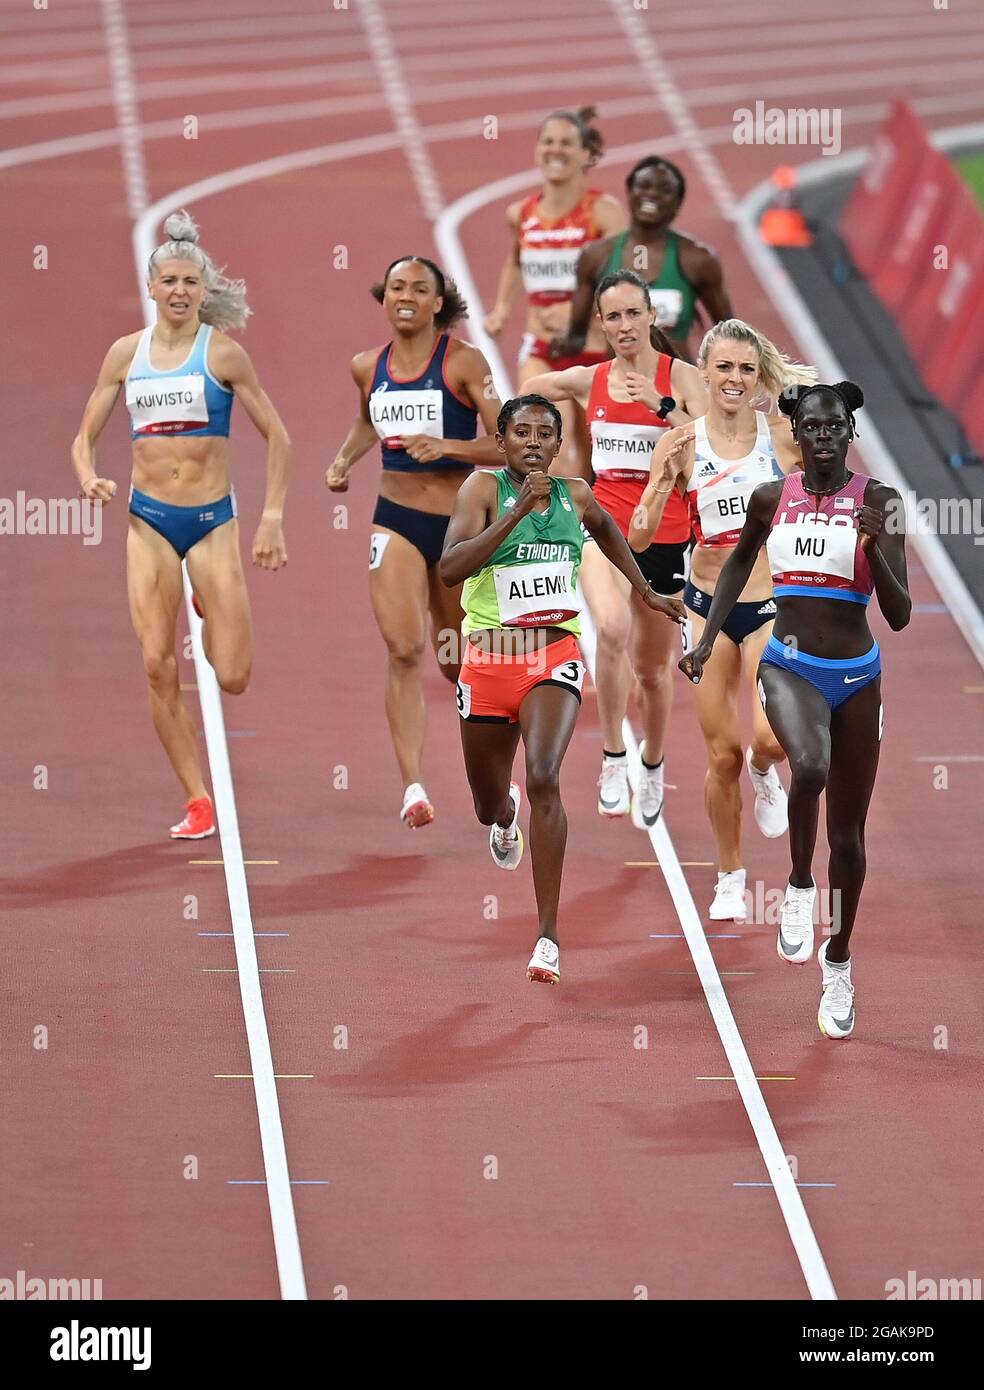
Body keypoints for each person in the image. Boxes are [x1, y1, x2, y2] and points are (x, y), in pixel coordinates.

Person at [680, 382, 910, 1037]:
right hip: (789, 664)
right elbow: (735, 565)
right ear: (796, 434)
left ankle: (837, 964)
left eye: (835, 425)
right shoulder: (770, 498)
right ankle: (799, 886)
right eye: (812, 426)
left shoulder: (880, 503)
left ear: (849, 431)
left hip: (858, 676)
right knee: (807, 766)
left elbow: (899, 614)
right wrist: (703, 642)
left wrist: (873, 551)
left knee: (852, 840)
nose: (824, 435)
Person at [439, 395, 685, 984]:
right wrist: (517, 511)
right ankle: (505, 819)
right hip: (488, 661)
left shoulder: (576, 495)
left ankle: (547, 935)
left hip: (553, 657)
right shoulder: (481, 490)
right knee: (486, 802)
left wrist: (647, 592)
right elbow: (451, 568)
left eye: (543, 434)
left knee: (545, 774)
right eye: (519, 433)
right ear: (502, 443)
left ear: (557, 445)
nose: (532, 443)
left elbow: (607, 532)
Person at [70, 209, 290, 840]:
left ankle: (205, 591)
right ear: (151, 287)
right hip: (149, 522)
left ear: (203, 288)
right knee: (159, 663)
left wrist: (271, 516)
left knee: (234, 676)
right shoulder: (125, 355)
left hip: (213, 522)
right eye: (168, 281)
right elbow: (83, 437)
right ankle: (198, 797)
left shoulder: (222, 355)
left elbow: (279, 436)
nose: (179, 291)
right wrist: (88, 477)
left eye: (190, 282)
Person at [630, 320, 813, 919]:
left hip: (770, 605)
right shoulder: (681, 442)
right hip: (706, 607)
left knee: (767, 737)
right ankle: (729, 874)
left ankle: (767, 771)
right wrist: (661, 480)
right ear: (703, 373)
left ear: (759, 378)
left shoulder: (781, 440)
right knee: (720, 756)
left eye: (746, 369)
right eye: (724, 368)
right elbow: (639, 535)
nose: (734, 379)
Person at [326, 256, 501, 829]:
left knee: (457, 664)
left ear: (436, 303)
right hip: (395, 518)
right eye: (396, 286)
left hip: (457, 528)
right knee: (403, 649)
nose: (405, 295)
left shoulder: (462, 364)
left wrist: (448, 447)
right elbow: (367, 421)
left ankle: (495, 774)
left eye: (418, 288)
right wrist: (345, 458)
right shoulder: (365, 367)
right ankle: (414, 787)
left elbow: (510, 445)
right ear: (384, 298)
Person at [526, 270, 706, 825]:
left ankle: (651, 763)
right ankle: (611, 755)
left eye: (634, 314)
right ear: (600, 324)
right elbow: (524, 396)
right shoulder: (589, 380)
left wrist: (660, 404)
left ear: (652, 316)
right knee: (609, 627)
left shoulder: (685, 377)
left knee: (653, 671)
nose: (625, 326)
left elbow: (713, 446)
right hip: (603, 526)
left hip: (666, 534)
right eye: (613, 317)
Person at [482, 106, 626, 467]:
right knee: (545, 447)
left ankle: (588, 522)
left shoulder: (603, 213)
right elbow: (516, 261)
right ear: (537, 149)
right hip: (542, 348)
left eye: (566, 143)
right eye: (547, 141)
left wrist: (579, 310)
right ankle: (545, 523)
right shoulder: (521, 213)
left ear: (585, 154)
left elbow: (624, 282)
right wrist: (501, 309)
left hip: (594, 351)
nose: (555, 150)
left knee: (596, 461)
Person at [553, 156, 732, 363]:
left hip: (677, 389)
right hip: (617, 390)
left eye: (664, 190)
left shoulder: (698, 261)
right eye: (644, 186)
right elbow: (576, 336)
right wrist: (559, 343)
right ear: (630, 193)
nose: (652, 194)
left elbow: (729, 332)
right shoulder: (595, 256)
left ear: (678, 204)